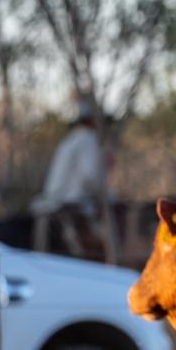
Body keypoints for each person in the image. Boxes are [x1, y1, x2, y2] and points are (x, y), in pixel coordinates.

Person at [30, 96, 113, 254]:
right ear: (92, 121)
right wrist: (105, 193)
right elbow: (89, 178)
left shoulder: (70, 141)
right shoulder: (88, 140)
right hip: (72, 201)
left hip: (58, 199)